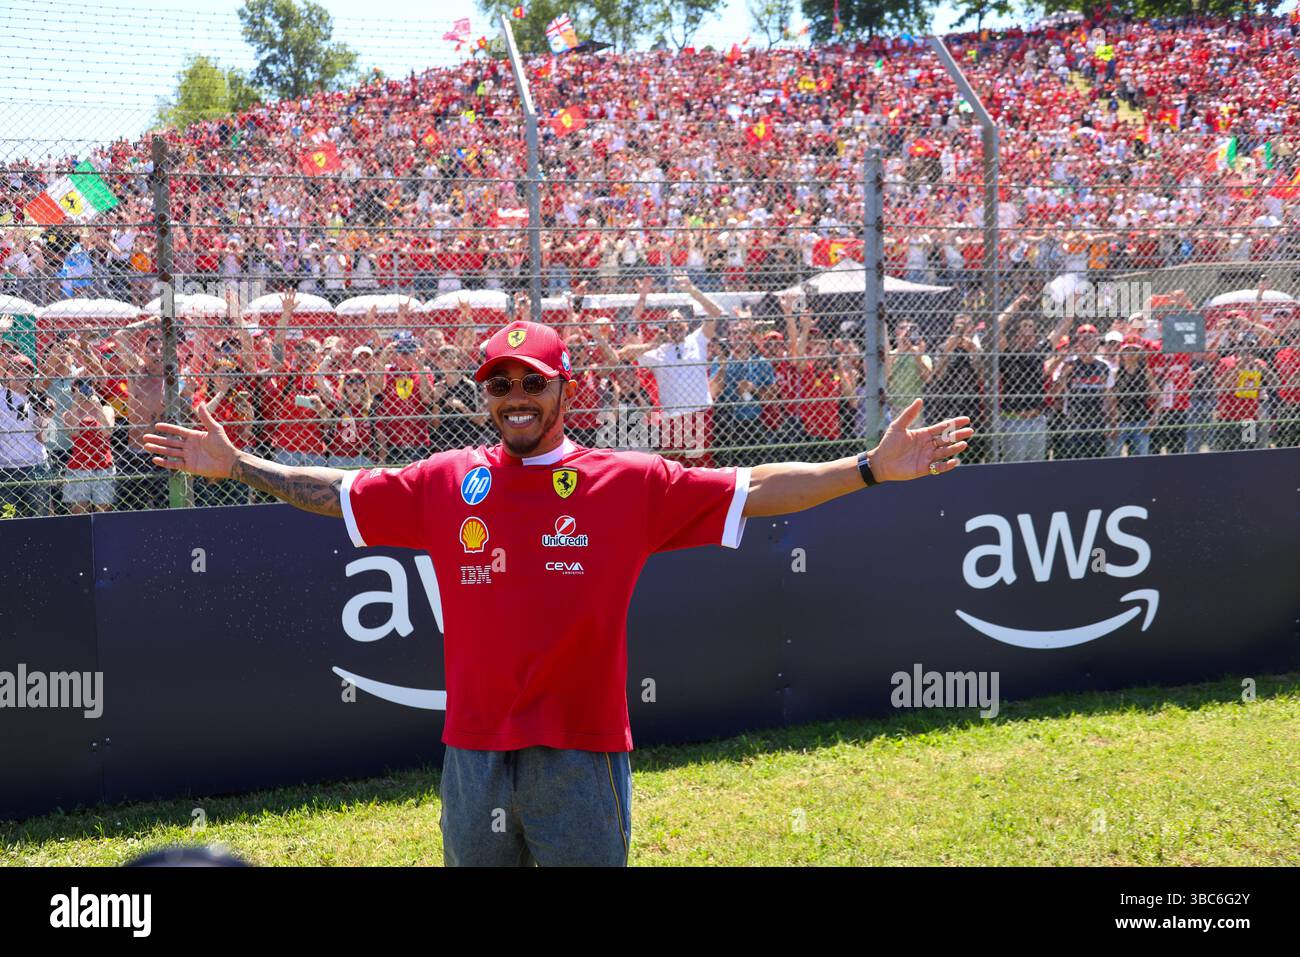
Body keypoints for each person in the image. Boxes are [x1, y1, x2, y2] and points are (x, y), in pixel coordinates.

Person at [143, 319, 973, 867]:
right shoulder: (444, 481)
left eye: (531, 382)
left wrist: (868, 468)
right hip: (472, 752)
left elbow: (754, 488)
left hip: (580, 753)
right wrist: (237, 465)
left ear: (565, 390)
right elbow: (336, 489)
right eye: (499, 384)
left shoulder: (627, 481)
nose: (515, 398)